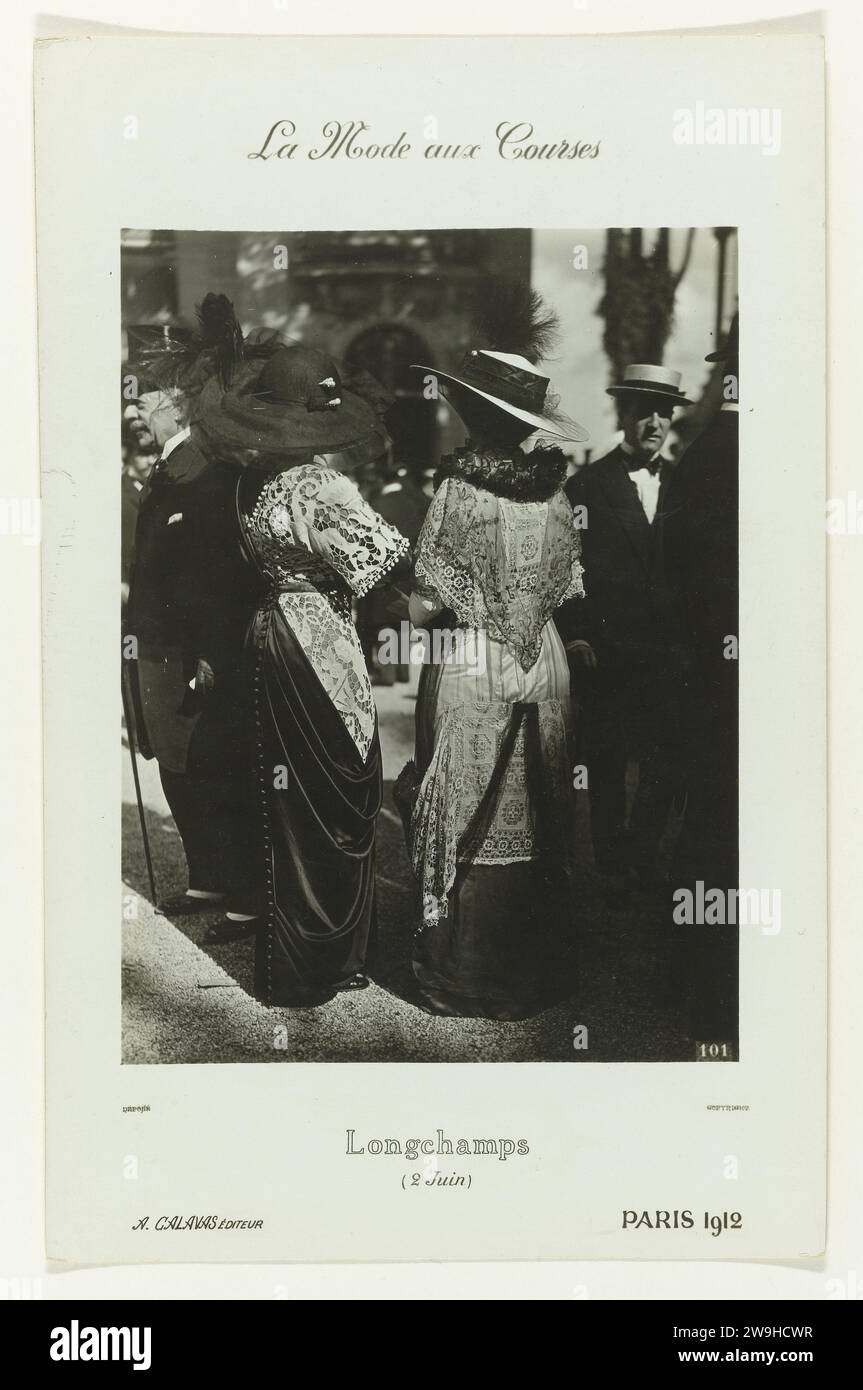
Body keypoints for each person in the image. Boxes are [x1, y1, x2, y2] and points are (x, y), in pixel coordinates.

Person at [194, 343, 407, 1007]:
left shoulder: (247, 484)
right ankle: (323, 959)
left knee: (286, 798)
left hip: (270, 633)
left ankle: (292, 959)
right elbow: (383, 558)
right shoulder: (320, 486)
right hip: (317, 639)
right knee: (335, 795)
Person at [396, 286, 589, 1020]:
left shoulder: (456, 494)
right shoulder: (554, 500)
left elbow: (425, 602)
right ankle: (528, 969)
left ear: (474, 415)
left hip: (471, 662)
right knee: (535, 808)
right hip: (542, 664)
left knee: (464, 798)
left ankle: (461, 971)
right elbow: (566, 590)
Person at [125, 299, 264, 938]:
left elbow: (212, 575)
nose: (134, 409)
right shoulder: (173, 465)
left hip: (188, 650)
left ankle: (243, 897)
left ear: (176, 405)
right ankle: (208, 877)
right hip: (155, 645)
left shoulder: (203, 470)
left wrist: (211, 654)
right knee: (174, 766)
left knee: (211, 769)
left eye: (145, 399)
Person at [559, 363, 691, 895]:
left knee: (664, 758)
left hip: (670, 654)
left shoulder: (683, 484)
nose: (655, 422)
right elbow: (566, 563)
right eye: (644, 411)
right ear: (624, 414)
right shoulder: (588, 484)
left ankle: (643, 856)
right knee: (608, 764)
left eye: (664, 412)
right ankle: (613, 866)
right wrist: (576, 633)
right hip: (608, 653)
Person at [664, 315, 739, 1043]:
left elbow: (670, 580)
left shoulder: (706, 458)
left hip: (714, 685)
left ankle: (699, 985)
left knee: (714, 830)